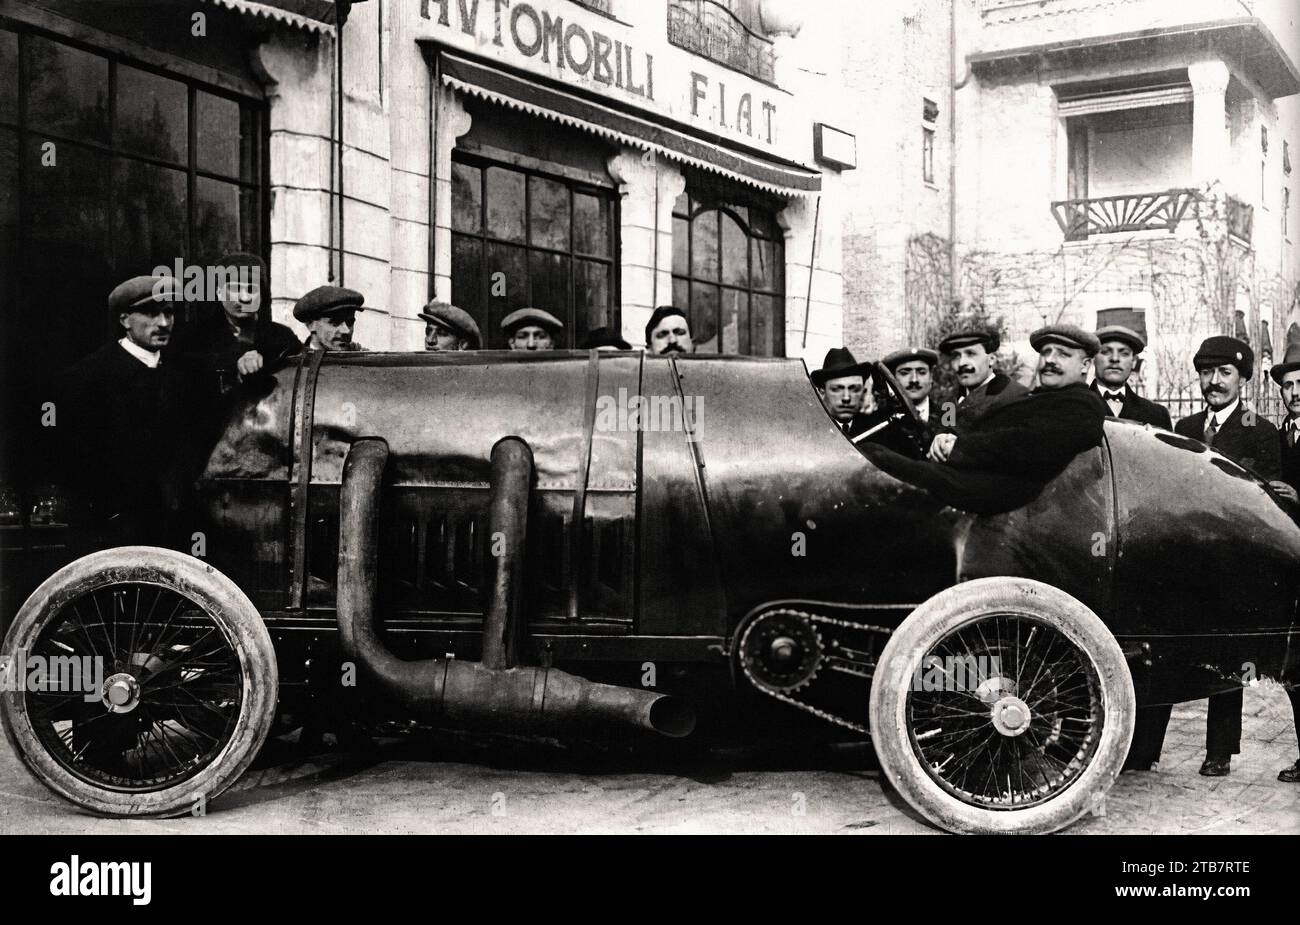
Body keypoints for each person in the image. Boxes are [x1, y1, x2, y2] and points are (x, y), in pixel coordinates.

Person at [1172, 335, 1281, 777]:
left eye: (1224, 373)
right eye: (1206, 372)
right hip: (1187, 559)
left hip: (1234, 563)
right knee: (1170, 648)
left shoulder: (1261, 431)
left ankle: (1219, 750)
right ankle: (1145, 750)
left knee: (1228, 658)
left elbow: (1265, 505)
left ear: (1242, 379)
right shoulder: (1182, 428)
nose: (1214, 381)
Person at [58, 275, 190, 550]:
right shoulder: (88, 377)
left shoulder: (181, 378)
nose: (163, 323)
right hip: (108, 530)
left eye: (168, 313)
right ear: (125, 320)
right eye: (151, 313)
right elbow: (74, 464)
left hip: (170, 530)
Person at [169, 252, 301, 400]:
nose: (244, 298)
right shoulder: (194, 338)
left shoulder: (283, 337)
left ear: (261, 295)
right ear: (219, 292)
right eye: (235, 289)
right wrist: (233, 365)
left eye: (251, 289)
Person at [1270, 342, 1300, 783]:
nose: (1296, 392)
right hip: (1290, 565)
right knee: (1294, 671)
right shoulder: (1277, 437)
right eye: (1288, 386)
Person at [1090, 326, 1172, 428]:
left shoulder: (1157, 414)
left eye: (1124, 353)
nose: (1115, 358)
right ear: (1093, 358)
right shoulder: (1075, 408)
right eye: (1105, 352)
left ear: (1133, 361)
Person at [811, 348, 877, 438]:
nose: (846, 398)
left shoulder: (875, 428)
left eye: (854, 389)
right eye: (837, 389)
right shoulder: (810, 430)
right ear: (822, 392)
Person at [296, 285, 365, 352]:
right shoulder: (295, 358)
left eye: (350, 322)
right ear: (310, 325)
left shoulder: (361, 356)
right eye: (335, 322)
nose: (346, 331)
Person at [883, 346, 939, 425]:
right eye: (905, 373)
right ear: (893, 378)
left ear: (931, 376)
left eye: (922, 372)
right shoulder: (882, 418)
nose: (914, 380)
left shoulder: (947, 416)